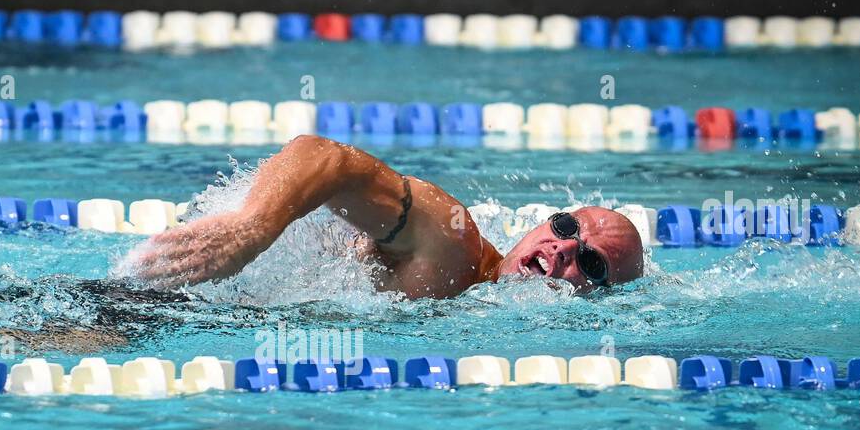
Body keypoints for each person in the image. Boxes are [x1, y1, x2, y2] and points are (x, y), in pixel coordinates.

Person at [130, 134, 644, 299]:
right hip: (158, 299)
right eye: (565, 226)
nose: (564, 248)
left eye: (591, 264)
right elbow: (325, 157)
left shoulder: (470, 297)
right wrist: (251, 228)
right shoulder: (453, 243)